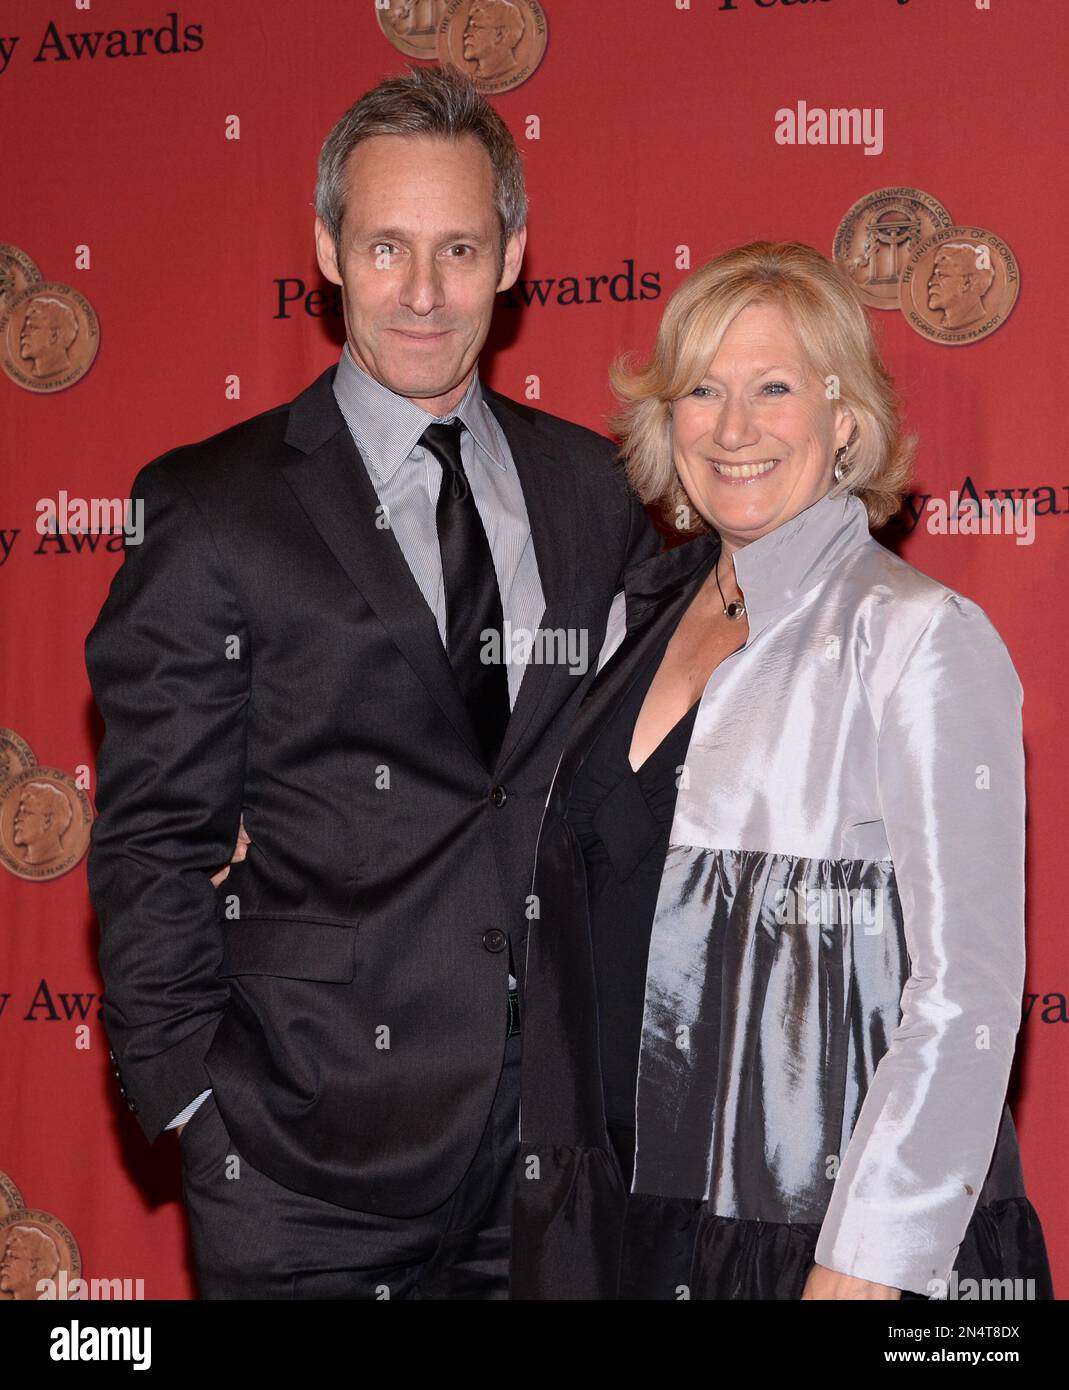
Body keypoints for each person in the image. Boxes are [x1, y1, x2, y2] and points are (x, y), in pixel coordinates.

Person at [84, 64, 659, 1300]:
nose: (421, 291)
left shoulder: (598, 492)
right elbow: (152, 837)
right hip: (304, 1164)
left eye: (457, 247)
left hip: (549, 1160)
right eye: (385, 246)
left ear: (510, 255)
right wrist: (195, 1098)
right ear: (326, 251)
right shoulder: (214, 505)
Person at [510, 241, 1053, 1301]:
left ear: (843, 417)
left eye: (773, 387)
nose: (733, 426)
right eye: (702, 389)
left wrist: (866, 1258)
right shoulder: (639, 621)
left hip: (808, 1235)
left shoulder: (918, 637)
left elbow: (967, 991)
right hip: (611, 1216)